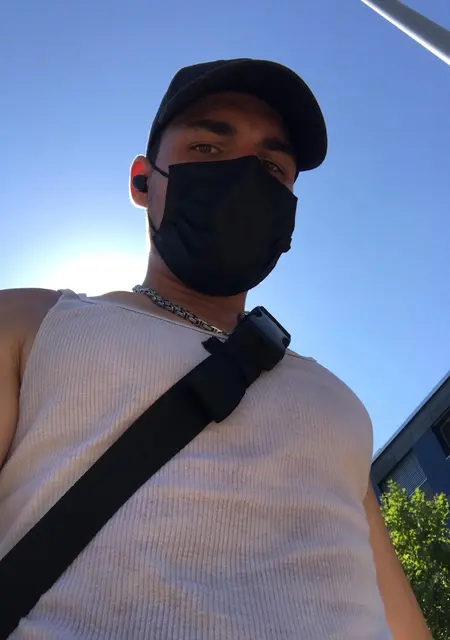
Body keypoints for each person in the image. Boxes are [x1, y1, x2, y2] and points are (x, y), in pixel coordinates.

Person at [0, 58, 430, 639]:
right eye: (207, 148)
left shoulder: (341, 402)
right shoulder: (30, 323)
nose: (245, 177)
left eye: (272, 167)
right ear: (142, 181)